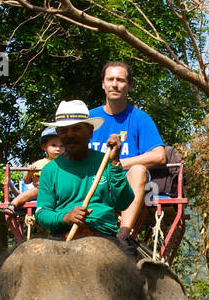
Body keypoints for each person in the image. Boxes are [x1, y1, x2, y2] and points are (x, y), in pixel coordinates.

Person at [34, 100, 135, 247]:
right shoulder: (50, 170)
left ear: (89, 130)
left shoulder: (105, 162)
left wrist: (115, 163)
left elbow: (124, 202)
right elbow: (42, 214)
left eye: (76, 129)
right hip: (61, 237)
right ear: (58, 134)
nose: (70, 135)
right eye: (64, 130)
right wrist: (65, 217)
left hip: (103, 237)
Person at [89, 61, 167, 247]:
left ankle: (124, 235)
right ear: (103, 84)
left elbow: (159, 156)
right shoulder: (89, 119)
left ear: (129, 86)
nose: (115, 84)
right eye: (110, 79)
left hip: (126, 185)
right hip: (94, 183)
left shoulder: (140, 118)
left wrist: (119, 163)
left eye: (121, 80)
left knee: (139, 170)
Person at [7, 126, 62, 211]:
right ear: (44, 147)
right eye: (53, 145)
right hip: (43, 191)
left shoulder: (67, 163)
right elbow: (26, 181)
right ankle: (13, 205)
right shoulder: (39, 164)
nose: (58, 149)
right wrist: (30, 172)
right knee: (34, 191)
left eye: (62, 146)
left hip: (61, 191)